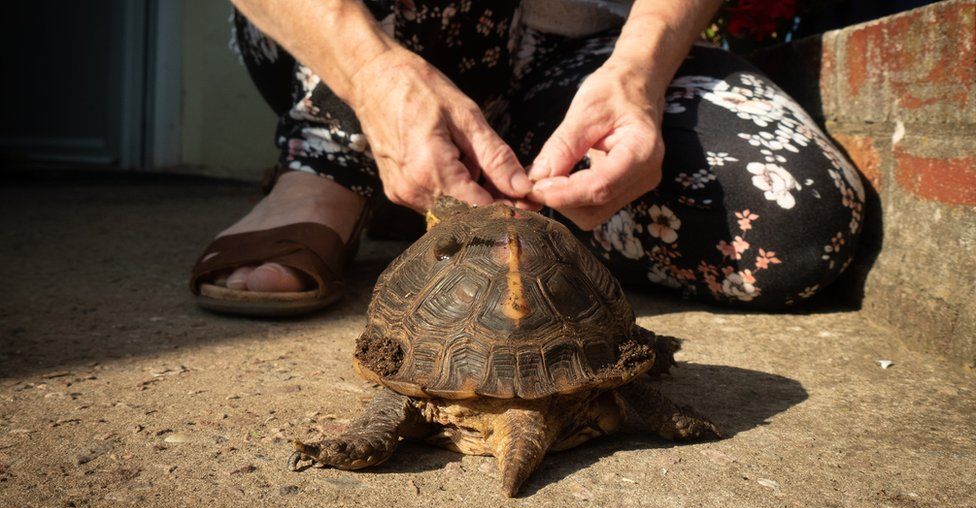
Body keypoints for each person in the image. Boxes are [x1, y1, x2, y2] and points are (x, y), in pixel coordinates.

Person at [190, 0, 864, 316]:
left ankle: (493, 198)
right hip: (361, 39)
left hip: (580, 52)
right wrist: (370, 75)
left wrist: (639, 72)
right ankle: (334, 162)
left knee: (791, 222)